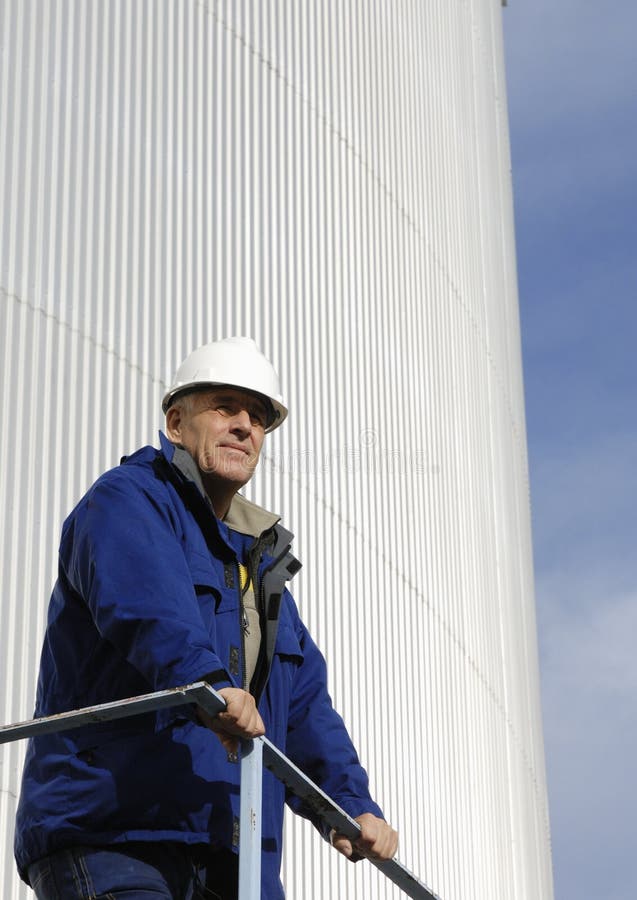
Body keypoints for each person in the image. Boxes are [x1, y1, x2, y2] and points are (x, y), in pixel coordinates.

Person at [15, 337, 397, 899]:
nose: (244, 426)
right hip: (116, 834)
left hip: (232, 858)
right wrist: (208, 685)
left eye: (258, 418)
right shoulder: (127, 501)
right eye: (224, 407)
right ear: (176, 423)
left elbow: (303, 707)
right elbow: (148, 612)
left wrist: (349, 805)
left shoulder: (258, 569)